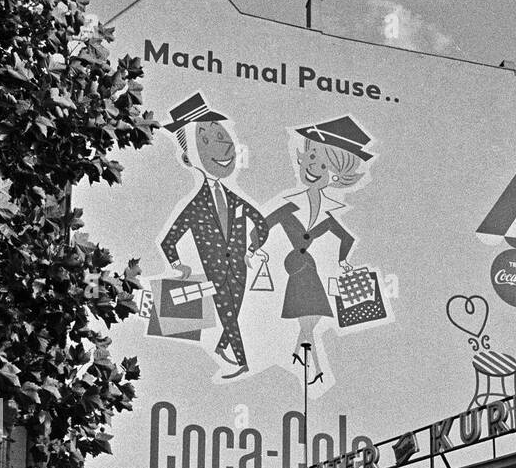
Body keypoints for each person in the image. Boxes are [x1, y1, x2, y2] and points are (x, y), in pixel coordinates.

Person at [160, 91, 269, 380]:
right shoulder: (195, 207)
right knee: (230, 316)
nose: (221, 144)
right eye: (205, 140)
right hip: (215, 272)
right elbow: (168, 240)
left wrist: (254, 248)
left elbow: (261, 222)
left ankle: (223, 347)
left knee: (233, 312)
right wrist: (178, 265)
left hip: (240, 268)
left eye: (220, 134)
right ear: (188, 158)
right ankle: (241, 361)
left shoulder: (234, 199)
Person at [261, 115, 374, 383]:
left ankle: (301, 357)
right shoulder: (292, 206)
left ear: (335, 176)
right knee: (309, 321)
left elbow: (347, 238)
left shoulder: (329, 212)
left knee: (310, 321)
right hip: (296, 268)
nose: (314, 167)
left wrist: (344, 261)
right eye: (311, 156)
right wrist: (255, 248)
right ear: (302, 157)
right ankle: (314, 365)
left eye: (323, 164)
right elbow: (264, 224)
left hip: (309, 269)